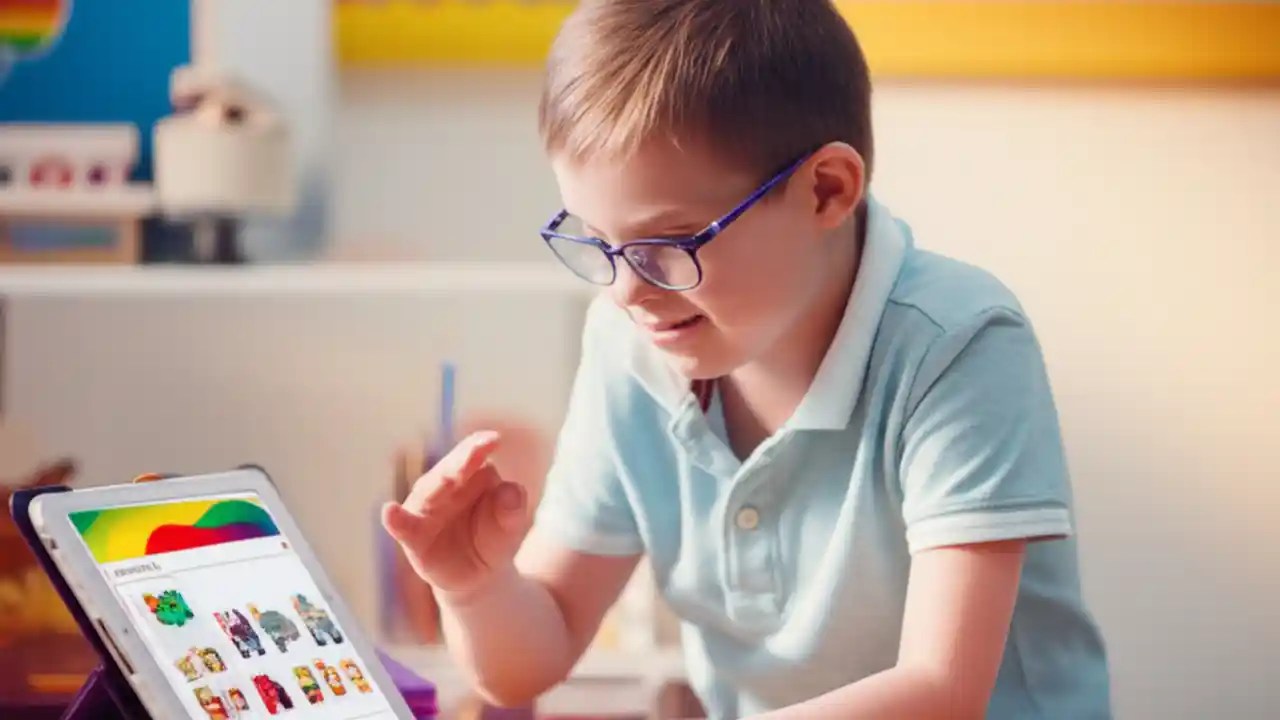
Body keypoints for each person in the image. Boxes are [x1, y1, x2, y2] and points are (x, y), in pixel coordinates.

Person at [382, 1, 1111, 717]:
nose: (627, 291)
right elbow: (528, 663)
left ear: (826, 191)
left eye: (670, 242)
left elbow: (940, 691)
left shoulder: (957, 343)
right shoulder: (630, 346)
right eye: (598, 244)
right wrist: (474, 588)